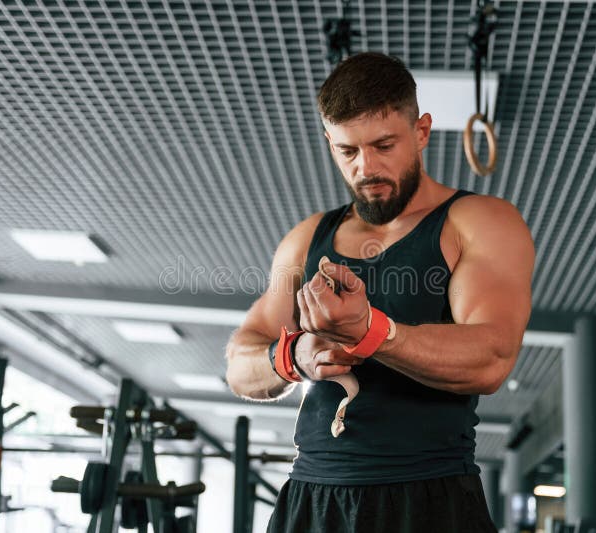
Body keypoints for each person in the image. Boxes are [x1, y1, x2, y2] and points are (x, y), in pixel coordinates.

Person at [225, 52, 535, 533]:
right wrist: (294, 357)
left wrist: (370, 331)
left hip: (429, 495)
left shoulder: (478, 222)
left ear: (422, 132)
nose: (366, 167)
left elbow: (491, 358)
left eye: (384, 144)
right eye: (347, 151)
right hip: (312, 498)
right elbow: (240, 366)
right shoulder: (307, 238)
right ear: (329, 143)